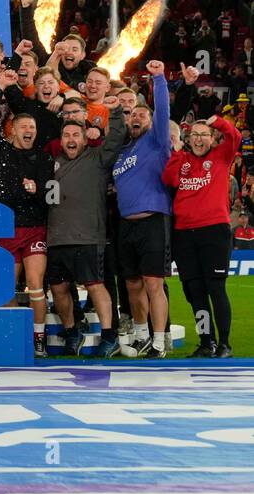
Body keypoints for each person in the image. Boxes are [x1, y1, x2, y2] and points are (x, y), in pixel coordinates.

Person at [45, 96, 127, 357]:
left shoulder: (97, 158)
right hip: (57, 238)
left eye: (76, 135)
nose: (71, 139)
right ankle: (72, 332)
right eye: (67, 135)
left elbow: (115, 139)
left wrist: (114, 112)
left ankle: (109, 336)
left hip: (89, 237)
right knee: (58, 289)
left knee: (95, 285)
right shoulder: (53, 163)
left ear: (84, 138)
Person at [0, 71, 55, 357]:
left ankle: (39, 339)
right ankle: (13, 338)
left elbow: (52, 195)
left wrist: (36, 190)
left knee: (36, 284)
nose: (29, 131)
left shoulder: (44, 158)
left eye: (33, 128)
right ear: (12, 129)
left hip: (35, 226)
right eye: (24, 126)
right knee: (6, 287)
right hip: (5, 228)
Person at [112, 61, 179, 358]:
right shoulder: (123, 152)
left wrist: (159, 79)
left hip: (153, 220)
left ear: (151, 123)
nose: (137, 117)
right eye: (133, 115)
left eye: (143, 114)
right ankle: (140, 337)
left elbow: (162, 111)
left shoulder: (157, 142)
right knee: (132, 284)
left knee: (154, 283)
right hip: (126, 224)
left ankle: (160, 340)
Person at [164, 114, 241, 357]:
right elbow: (169, 179)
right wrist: (176, 154)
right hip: (184, 235)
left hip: (213, 232)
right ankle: (206, 342)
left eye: (203, 135)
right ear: (187, 139)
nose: (198, 139)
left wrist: (216, 121)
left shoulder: (222, 156)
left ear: (212, 138)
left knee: (215, 288)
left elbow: (235, 136)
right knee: (195, 292)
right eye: (194, 135)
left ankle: (225, 344)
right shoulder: (182, 159)